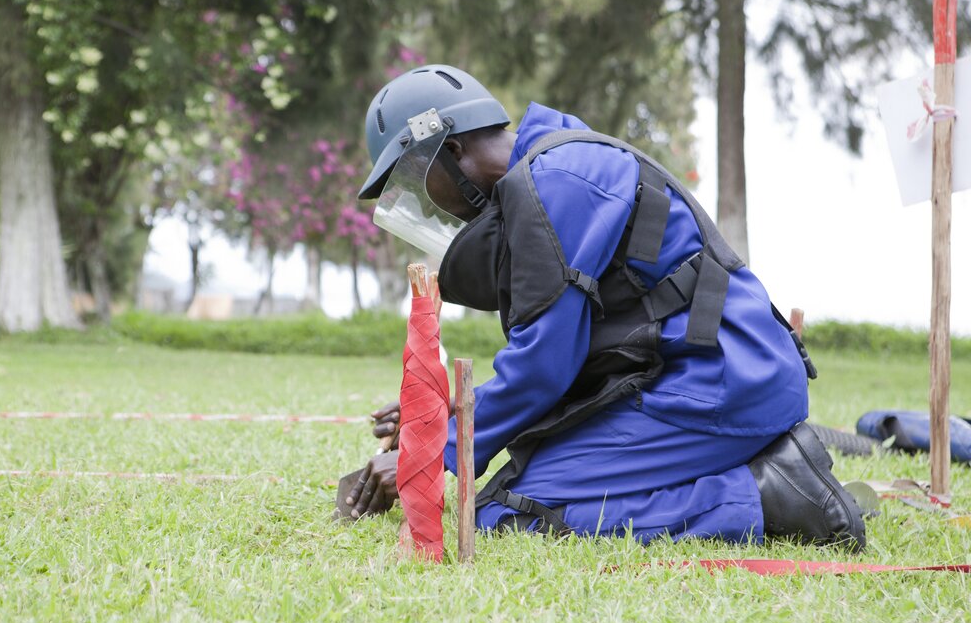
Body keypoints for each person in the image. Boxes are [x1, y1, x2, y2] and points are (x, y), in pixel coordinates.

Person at [346, 64, 865, 550]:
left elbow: (545, 364)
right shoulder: (555, 163)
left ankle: (770, 492)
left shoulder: (554, 181)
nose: (427, 202)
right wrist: (444, 411)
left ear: (453, 147)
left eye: (416, 180)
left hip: (722, 383)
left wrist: (434, 452)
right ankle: (767, 464)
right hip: (713, 372)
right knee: (523, 482)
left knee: (514, 509)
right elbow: (573, 348)